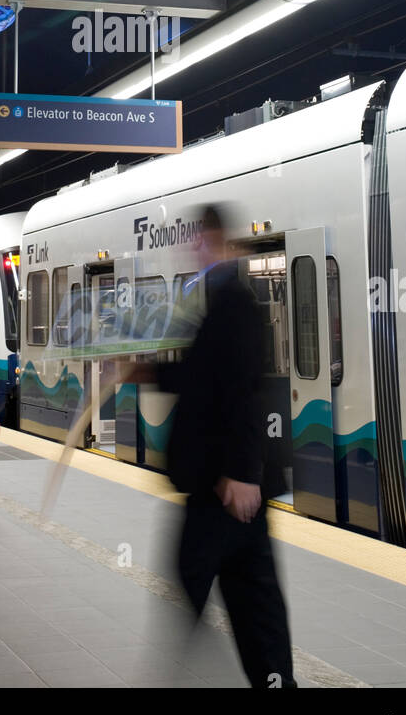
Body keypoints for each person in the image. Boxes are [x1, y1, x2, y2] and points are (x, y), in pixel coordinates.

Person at [123, 205, 296, 689]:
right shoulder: (218, 299)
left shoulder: (234, 301)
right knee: (251, 598)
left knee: (205, 579)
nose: (192, 249)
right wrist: (148, 373)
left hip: (225, 485)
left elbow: (240, 388)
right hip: (224, 486)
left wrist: (244, 472)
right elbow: (206, 377)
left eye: (198, 240)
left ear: (214, 239)